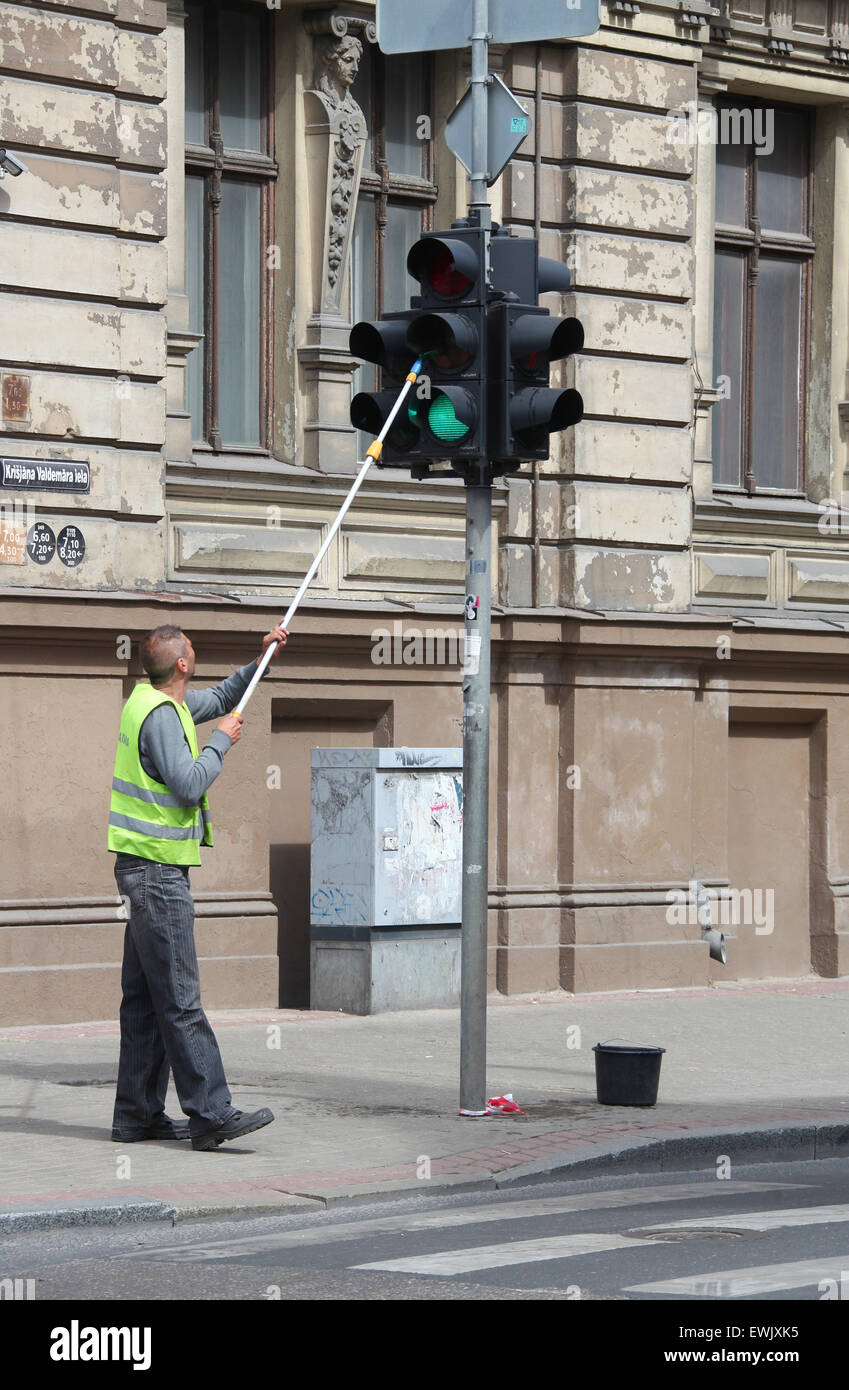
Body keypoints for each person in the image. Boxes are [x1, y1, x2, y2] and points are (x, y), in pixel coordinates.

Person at [108, 622, 288, 1151]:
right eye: (190, 646)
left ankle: (137, 1114)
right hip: (158, 874)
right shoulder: (164, 717)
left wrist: (263, 660)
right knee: (181, 999)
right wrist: (221, 743)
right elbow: (188, 785)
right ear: (182, 663)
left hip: (142, 870)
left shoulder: (151, 700)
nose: (194, 648)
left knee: (144, 999)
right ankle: (210, 1113)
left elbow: (225, 695)